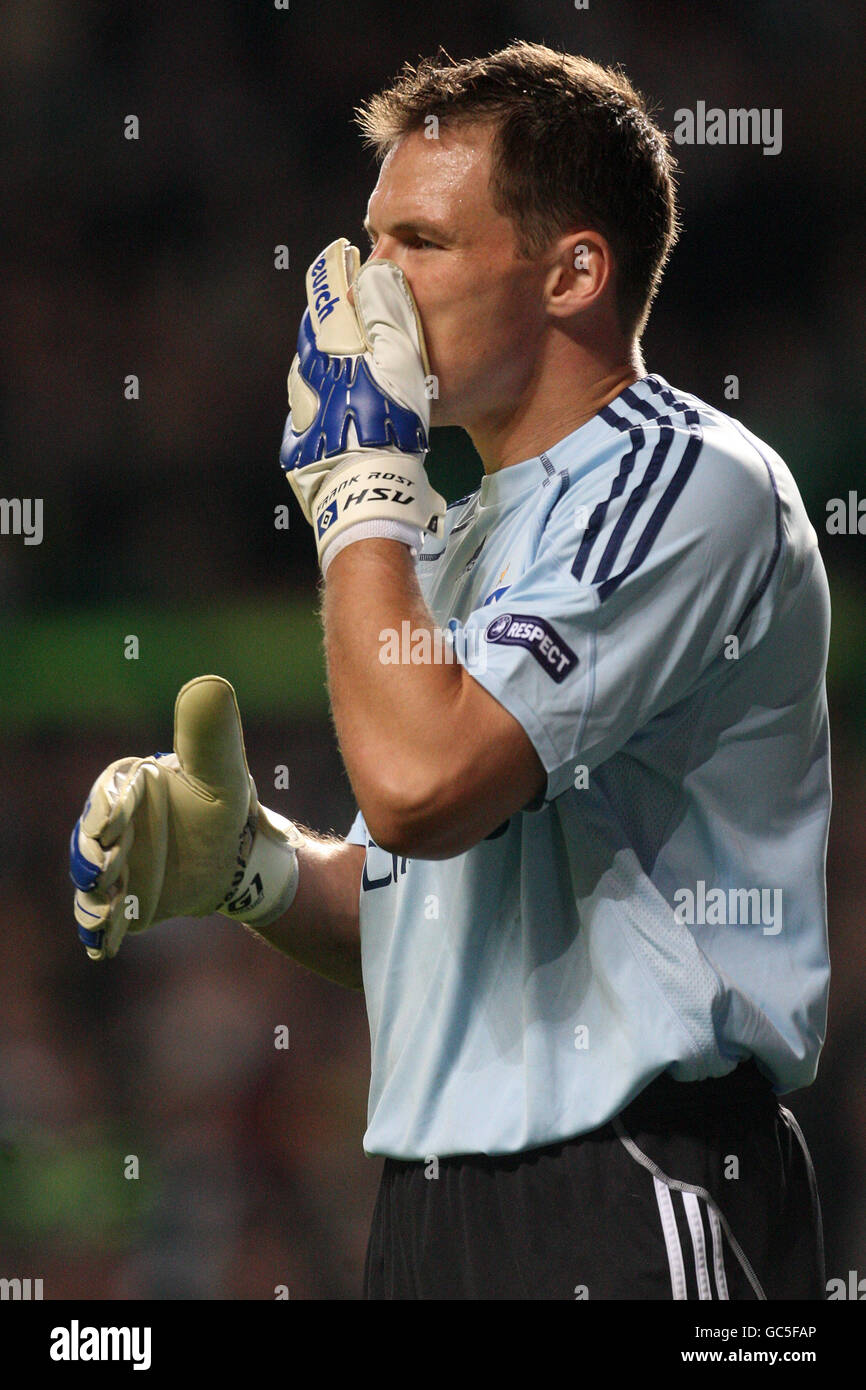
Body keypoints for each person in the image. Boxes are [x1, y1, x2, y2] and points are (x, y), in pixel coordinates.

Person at [70, 42, 830, 1300]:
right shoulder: (464, 528)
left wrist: (362, 490)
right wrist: (249, 866)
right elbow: (419, 897)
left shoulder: (686, 481)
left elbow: (422, 786)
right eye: (368, 244)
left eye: (418, 242)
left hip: (630, 1186)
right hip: (431, 1212)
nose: (372, 291)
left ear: (574, 271)